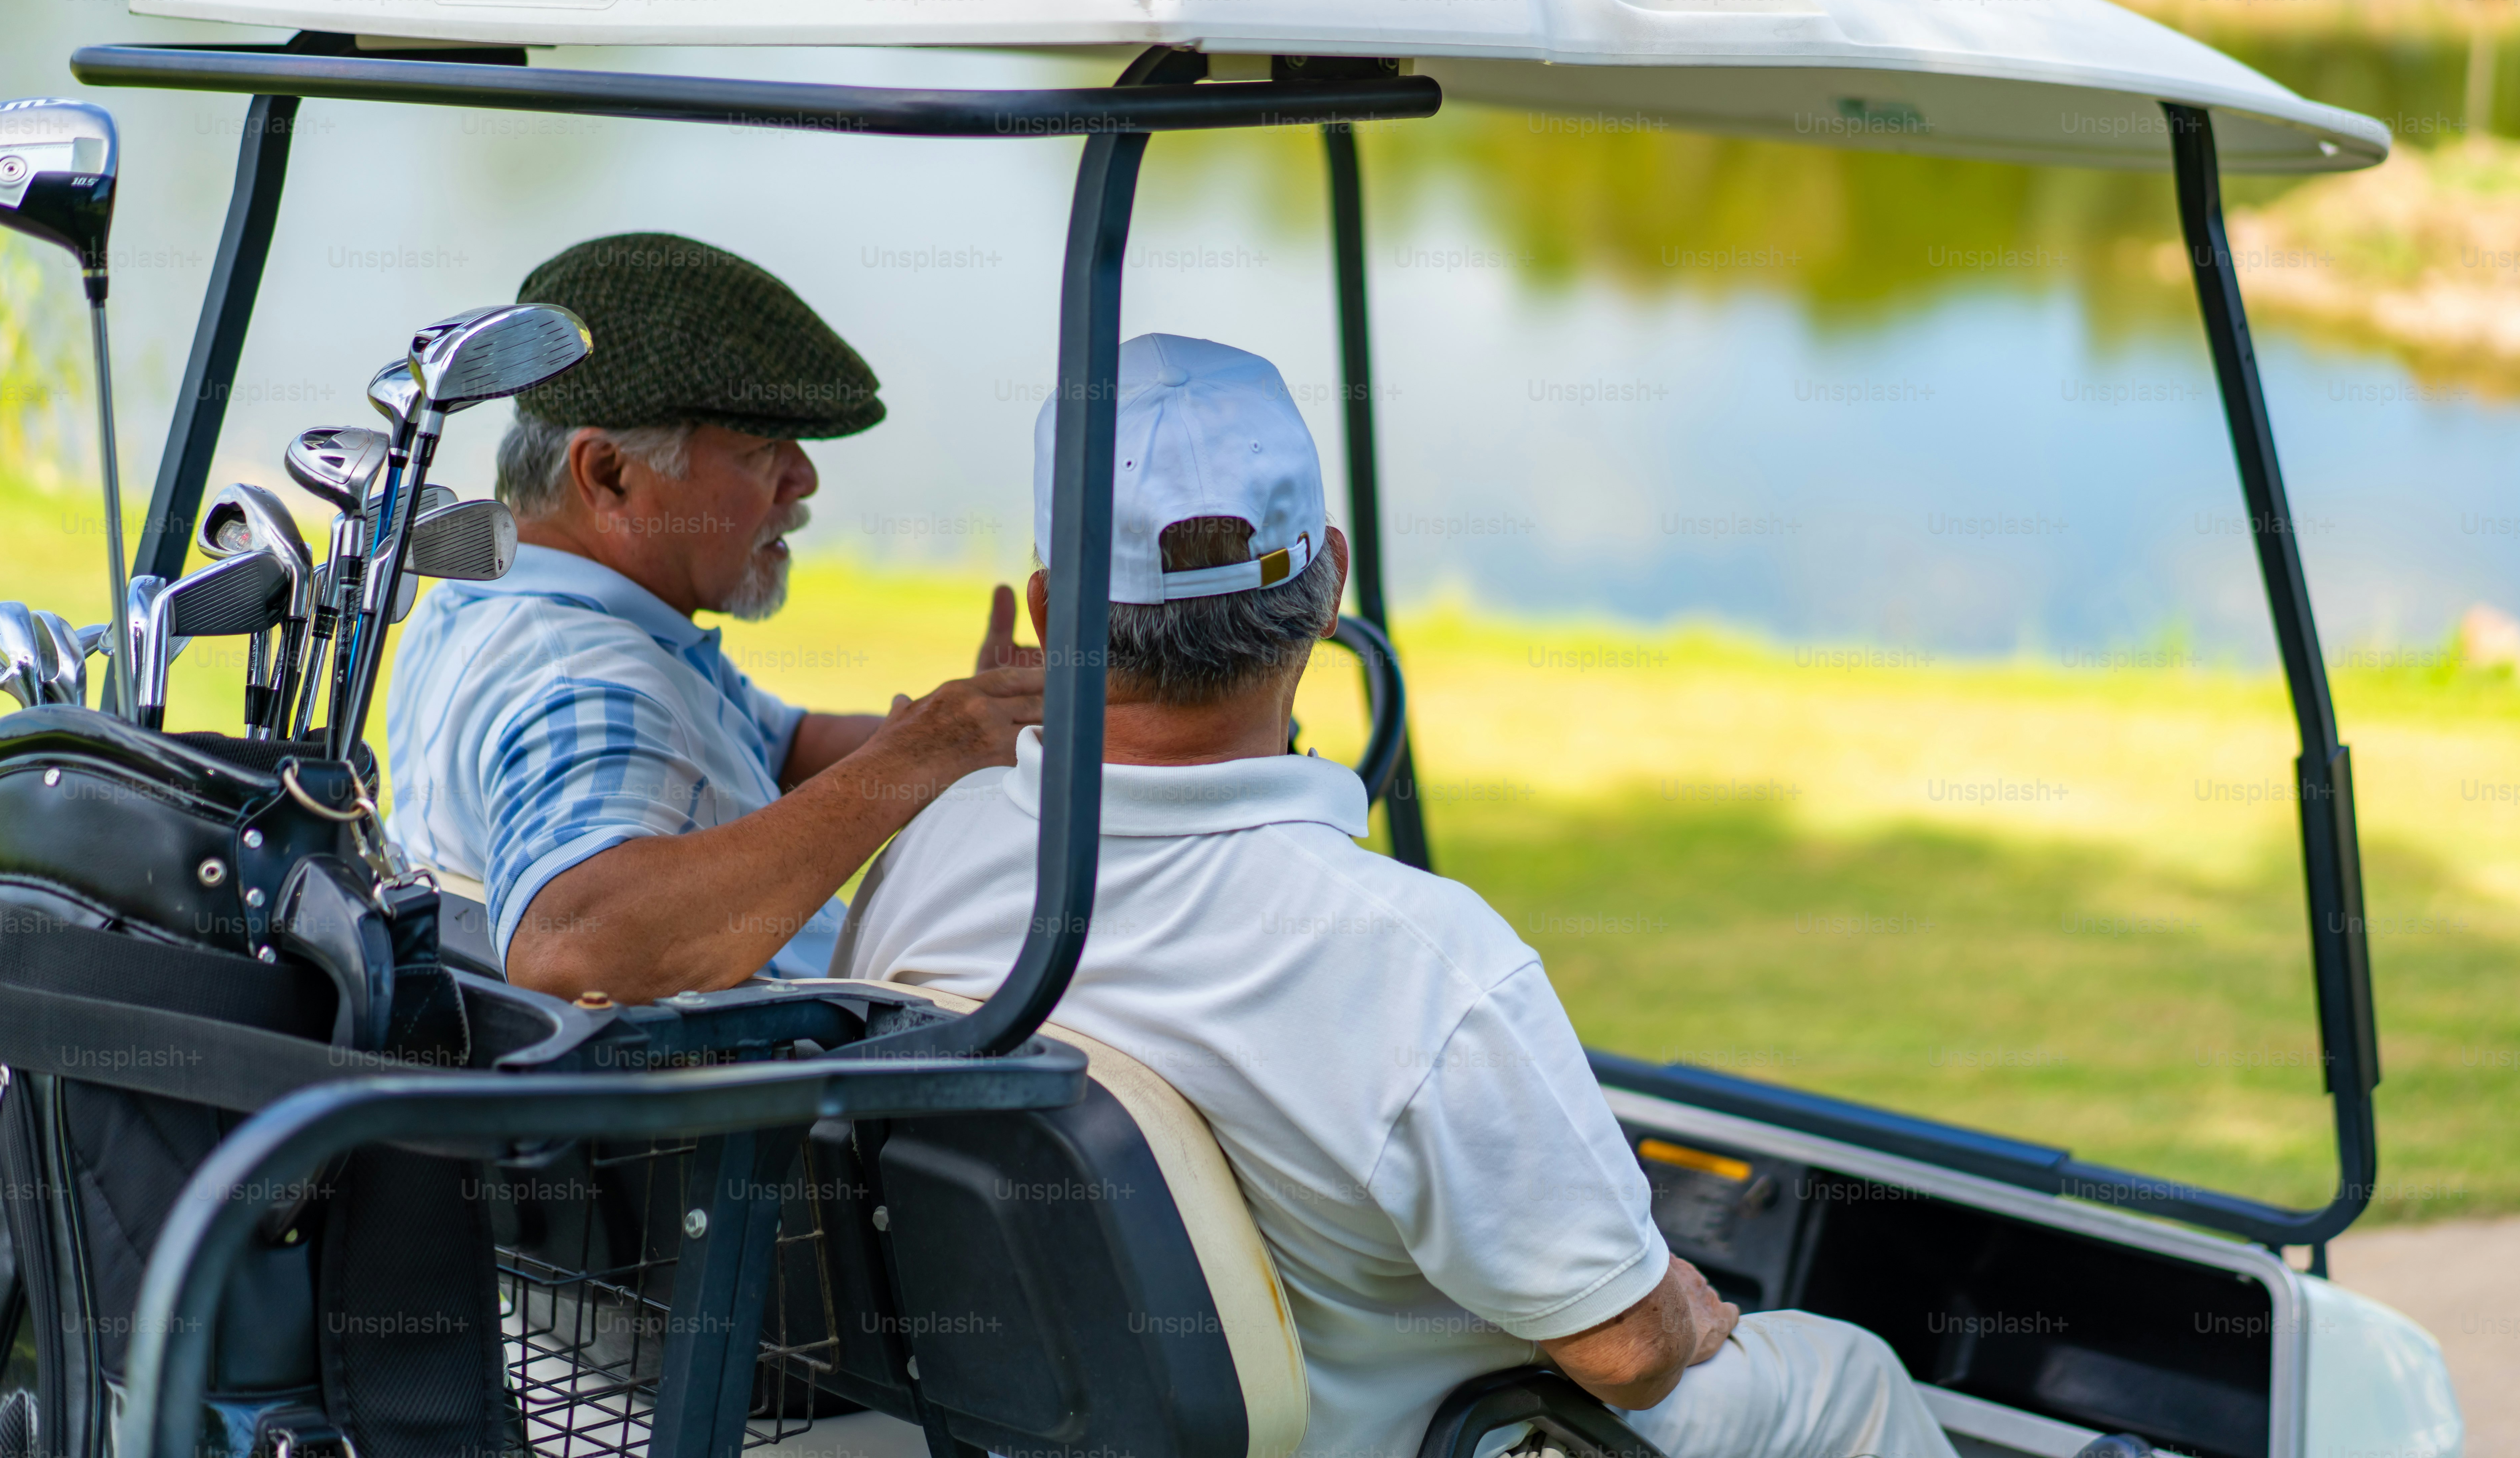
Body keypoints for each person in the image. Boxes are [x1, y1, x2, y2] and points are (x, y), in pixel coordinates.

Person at [837, 333, 1958, 1458]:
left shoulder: (929, 845)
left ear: (1049, 609)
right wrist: (1676, 1302)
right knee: (1848, 1376)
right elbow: (1624, 1354)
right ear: (1328, 585)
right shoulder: (1423, 963)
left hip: (1019, 1435)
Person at [387, 232, 1043, 1003]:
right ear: (610, 474)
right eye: (763, 448)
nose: (803, 479)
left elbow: (786, 743)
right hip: (804, 1108)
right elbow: (571, 946)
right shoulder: (586, 679)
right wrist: (912, 760)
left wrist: (968, 726)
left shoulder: (490, 601)